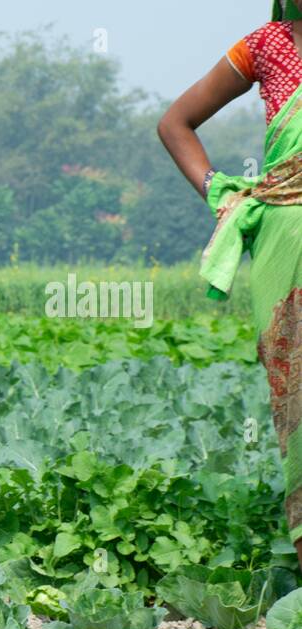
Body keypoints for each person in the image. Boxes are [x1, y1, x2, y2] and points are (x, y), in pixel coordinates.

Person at [159, 2, 302, 568]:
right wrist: (222, 193)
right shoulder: (267, 45)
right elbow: (176, 123)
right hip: (285, 241)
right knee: (299, 397)